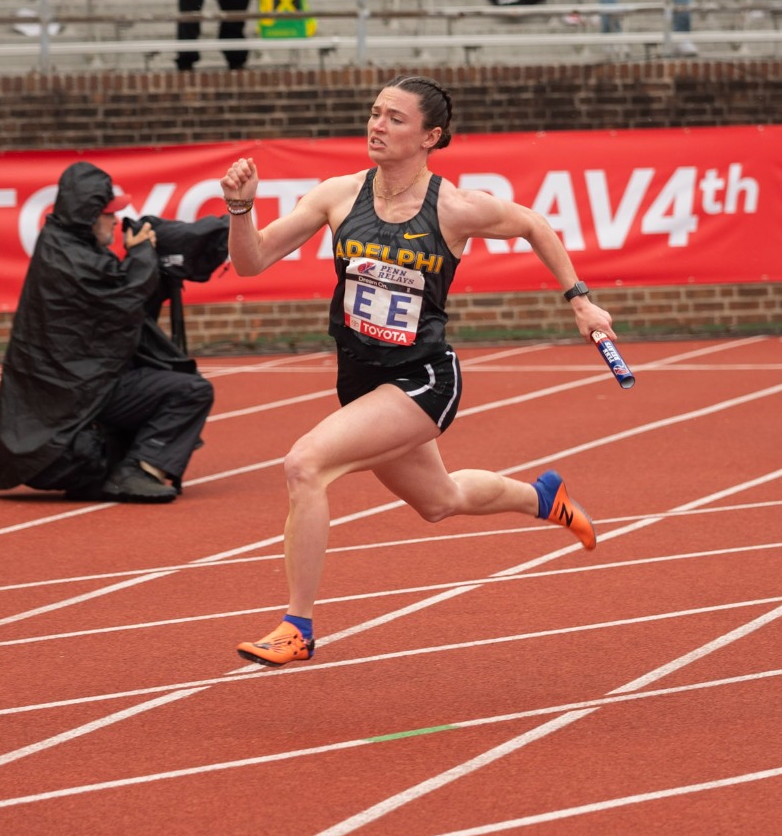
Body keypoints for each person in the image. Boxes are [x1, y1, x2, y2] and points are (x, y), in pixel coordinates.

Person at [217, 76, 613, 667]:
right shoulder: (337, 195)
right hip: (360, 379)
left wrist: (579, 300)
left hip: (424, 379)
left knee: (305, 464)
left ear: (431, 136)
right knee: (440, 501)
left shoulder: (453, 207)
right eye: (374, 113)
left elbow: (534, 224)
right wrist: (241, 209)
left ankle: (297, 625)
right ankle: (542, 497)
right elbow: (250, 263)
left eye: (395, 118)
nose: (377, 125)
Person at [0, 162, 215, 505]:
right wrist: (141, 252)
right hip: (78, 386)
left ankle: (131, 466)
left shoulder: (60, 244)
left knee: (161, 376)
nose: (115, 221)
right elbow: (125, 295)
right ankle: (140, 469)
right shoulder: (73, 257)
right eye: (108, 214)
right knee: (192, 391)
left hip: (73, 384)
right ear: (89, 215)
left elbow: (118, 296)